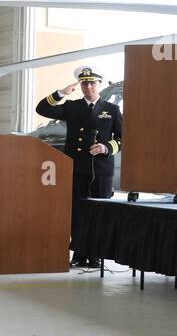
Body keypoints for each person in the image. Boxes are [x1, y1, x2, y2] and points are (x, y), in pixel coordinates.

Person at [35, 67, 122, 268]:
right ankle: (79, 253)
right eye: (84, 83)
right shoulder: (72, 107)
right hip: (76, 166)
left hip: (101, 169)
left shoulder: (112, 110)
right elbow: (42, 109)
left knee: (99, 212)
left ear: (100, 84)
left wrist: (106, 147)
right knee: (77, 212)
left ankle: (95, 254)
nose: (88, 86)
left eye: (92, 82)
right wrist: (60, 94)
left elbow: (123, 138)